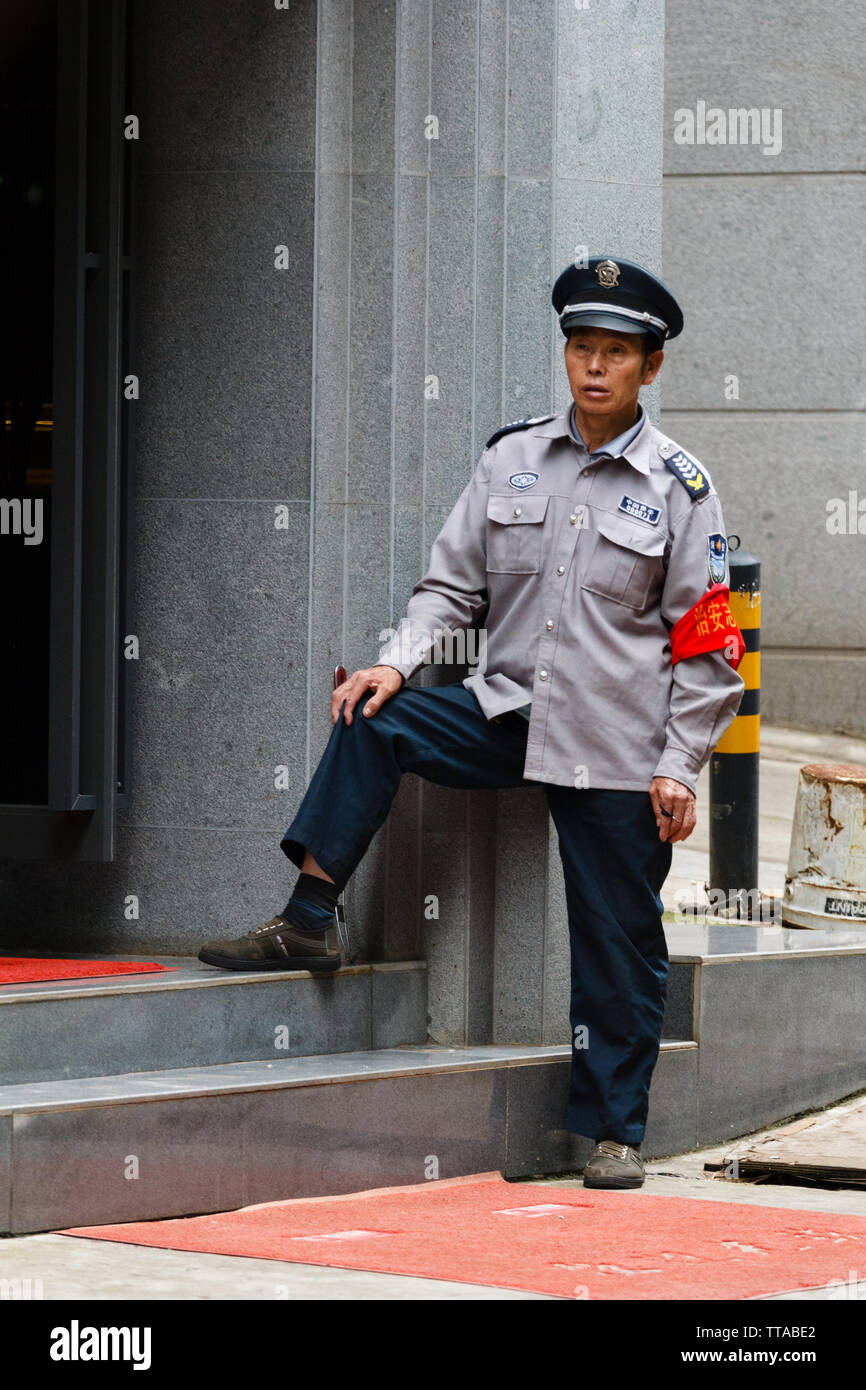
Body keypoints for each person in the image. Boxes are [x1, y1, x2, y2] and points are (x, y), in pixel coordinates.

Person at [198, 255, 746, 1190]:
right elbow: (452, 585)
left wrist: (679, 764)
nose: (595, 368)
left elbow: (708, 646)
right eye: (582, 349)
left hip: (614, 752)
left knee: (619, 944)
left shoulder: (679, 490)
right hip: (508, 715)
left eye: (617, 353)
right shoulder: (513, 458)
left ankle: (614, 1133)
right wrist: (395, 660)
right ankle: (310, 916)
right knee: (378, 718)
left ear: (651, 369)